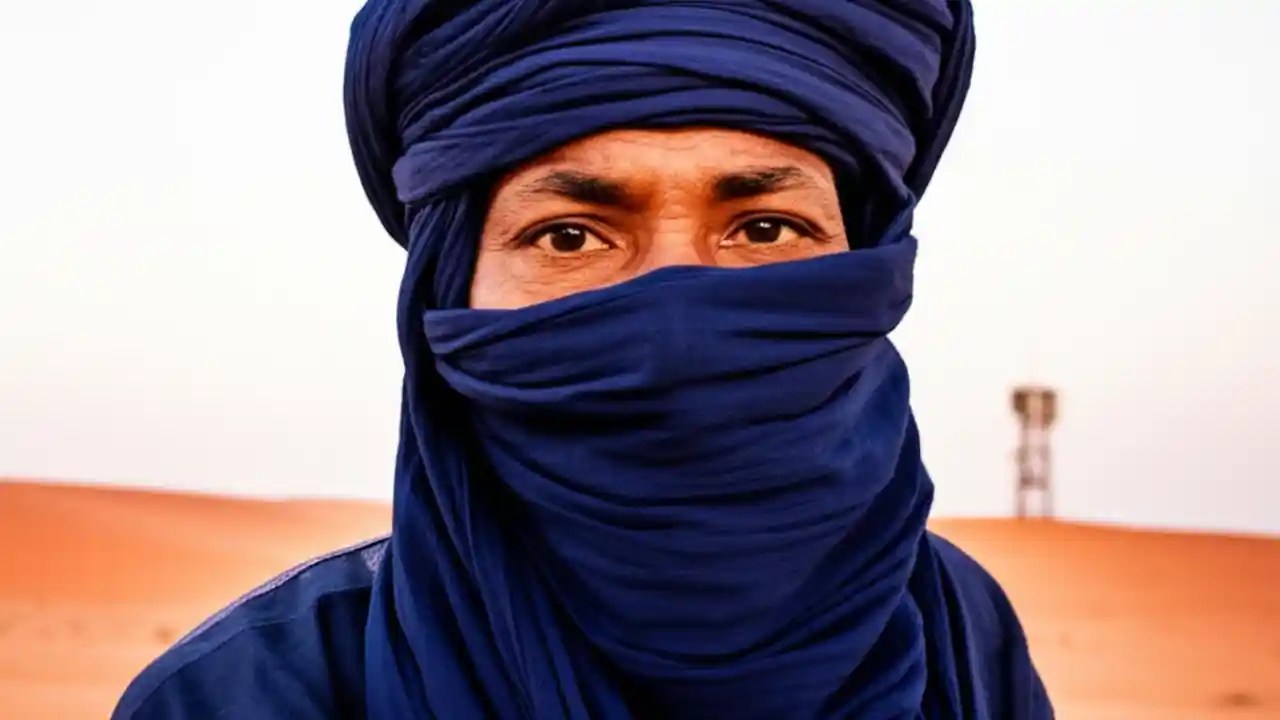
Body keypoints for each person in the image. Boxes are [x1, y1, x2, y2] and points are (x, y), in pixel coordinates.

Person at [114, 1, 1054, 718]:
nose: (676, 320)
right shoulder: (241, 696)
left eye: (765, 228)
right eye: (570, 237)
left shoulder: (957, 632)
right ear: (449, 287)